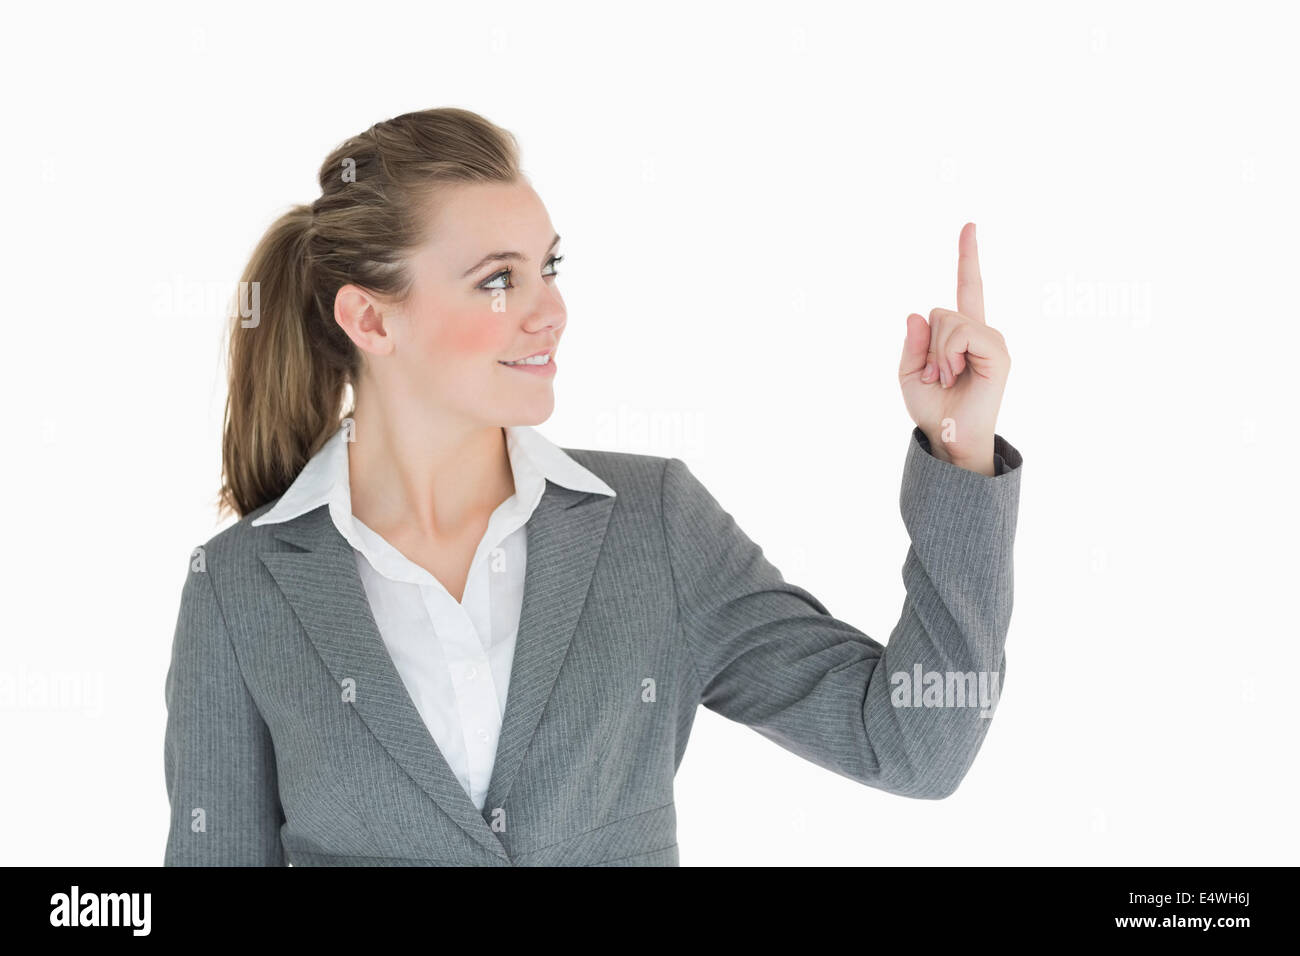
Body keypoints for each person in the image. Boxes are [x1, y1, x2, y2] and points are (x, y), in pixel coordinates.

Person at [164, 106, 1022, 866]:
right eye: (498, 279)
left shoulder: (653, 526)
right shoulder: (239, 589)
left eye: (549, 267)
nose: (551, 311)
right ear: (369, 319)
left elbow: (913, 744)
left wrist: (962, 448)